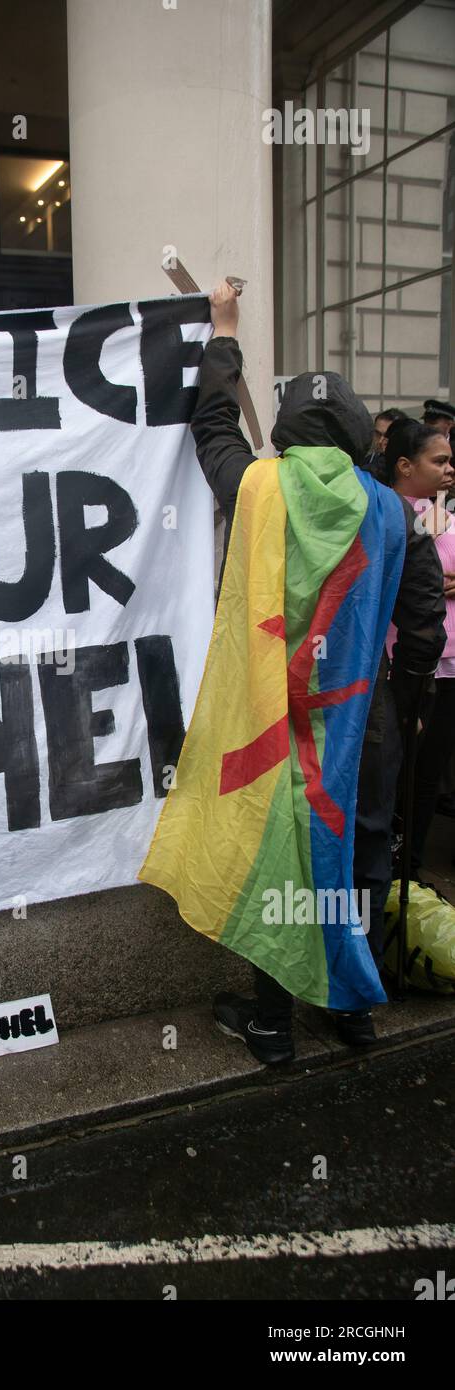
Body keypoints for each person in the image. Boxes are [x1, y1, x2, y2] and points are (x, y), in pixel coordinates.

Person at [190, 280, 446, 1064]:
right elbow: (425, 625)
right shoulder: (394, 511)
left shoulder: (258, 487)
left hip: (277, 718)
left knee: (283, 854)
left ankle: (270, 1025)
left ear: (292, 432)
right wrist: (393, 702)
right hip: (362, 719)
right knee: (362, 851)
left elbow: (211, 425)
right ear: (359, 438)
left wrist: (223, 329)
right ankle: (352, 1009)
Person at [383, 419, 455, 875]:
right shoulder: (386, 512)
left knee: (428, 772)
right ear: (406, 466)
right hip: (402, 662)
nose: (449, 468)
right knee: (396, 772)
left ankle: (410, 868)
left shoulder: (440, 512)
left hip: (447, 663)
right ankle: (386, 865)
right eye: (440, 460)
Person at [364, 407, 408, 481]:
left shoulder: (409, 469)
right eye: (377, 434)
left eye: (388, 436)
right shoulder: (366, 461)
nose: (380, 441)